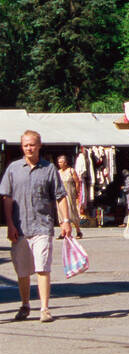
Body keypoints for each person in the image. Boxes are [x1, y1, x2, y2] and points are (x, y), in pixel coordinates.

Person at [1, 130, 73, 322]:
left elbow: (60, 196)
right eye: (25, 145)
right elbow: (7, 198)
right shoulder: (13, 169)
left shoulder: (49, 169)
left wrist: (65, 221)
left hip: (42, 226)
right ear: (21, 147)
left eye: (32, 144)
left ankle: (44, 308)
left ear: (39, 145)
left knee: (43, 267)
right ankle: (25, 305)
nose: (29, 148)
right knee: (23, 271)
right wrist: (9, 224)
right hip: (20, 228)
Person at [56, 155, 85, 238]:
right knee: (60, 213)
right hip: (61, 195)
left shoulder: (71, 171)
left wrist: (77, 192)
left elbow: (77, 182)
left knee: (72, 211)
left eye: (61, 162)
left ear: (65, 163)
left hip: (70, 194)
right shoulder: (58, 172)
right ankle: (63, 232)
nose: (60, 164)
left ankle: (78, 231)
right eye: (59, 162)